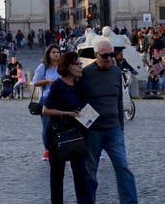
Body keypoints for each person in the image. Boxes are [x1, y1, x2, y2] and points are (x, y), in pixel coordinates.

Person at [81, 37, 138, 204]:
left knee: (123, 168)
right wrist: (86, 126)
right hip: (93, 131)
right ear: (95, 55)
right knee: (90, 171)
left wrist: (121, 127)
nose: (108, 59)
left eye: (111, 55)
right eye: (104, 56)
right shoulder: (86, 73)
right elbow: (80, 101)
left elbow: (119, 100)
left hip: (114, 129)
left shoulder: (116, 72)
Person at [42, 51, 91, 204]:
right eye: (78, 64)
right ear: (69, 67)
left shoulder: (80, 84)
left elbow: (84, 108)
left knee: (81, 174)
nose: (80, 67)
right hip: (58, 135)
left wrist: (92, 123)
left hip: (77, 135)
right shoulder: (58, 85)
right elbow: (45, 110)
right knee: (57, 175)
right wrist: (67, 113)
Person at [32, 43, 61, 161]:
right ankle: (47, 150)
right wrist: (48, 81)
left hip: (61, 99)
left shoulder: (63, 66)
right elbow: (34, 82)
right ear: (48, 54)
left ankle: (60, 147)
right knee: (47, 126)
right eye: (53, 52)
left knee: (60, 125)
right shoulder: (43, 67)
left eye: (58, 52)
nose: (56, 54)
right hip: (46, 99)